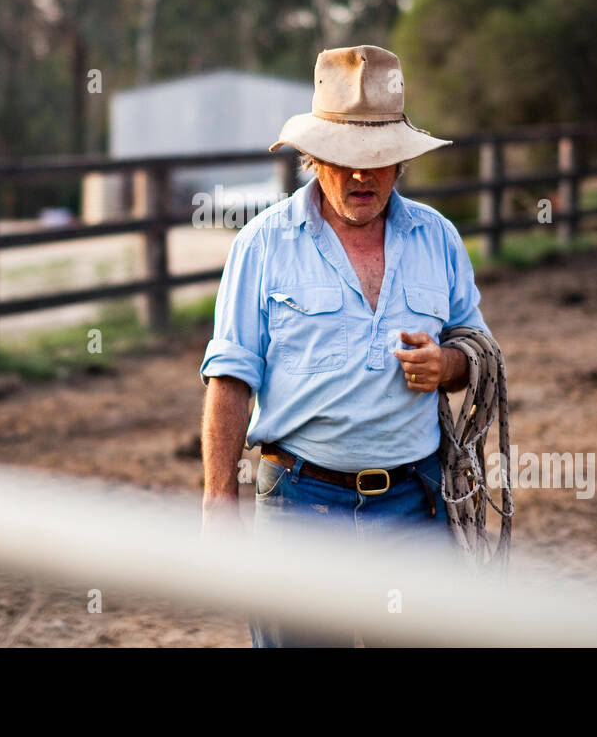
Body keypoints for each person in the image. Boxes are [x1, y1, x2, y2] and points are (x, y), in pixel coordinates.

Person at [198, 44, 490, 647]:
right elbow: (230, 375)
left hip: (414, 505)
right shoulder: (263, 244)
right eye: (344, 157)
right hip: (300, 506)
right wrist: (218, 499)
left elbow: (475, 348)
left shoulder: (437, 238)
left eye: (379, 158)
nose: (362, 175)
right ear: (313, 157)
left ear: (401, 162)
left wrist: (447, 364)